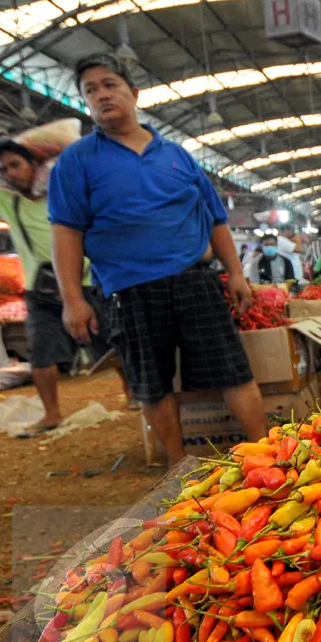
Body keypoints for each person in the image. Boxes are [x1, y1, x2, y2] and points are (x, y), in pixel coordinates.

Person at [48, 53, 267, 466]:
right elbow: (67, 231)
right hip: (129, 288)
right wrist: (72, 298)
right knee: (151, 383)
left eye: (109, 85)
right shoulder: (76, 162)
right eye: (90, 91)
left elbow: (216, 219)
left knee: (233, 369)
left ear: (133, 93)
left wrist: (236, 273)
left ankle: (268, 451)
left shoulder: (178, 155)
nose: (101, 95)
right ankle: (178, 464)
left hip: (194, 279)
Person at [0, 137, 121, 435]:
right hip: (40, 293)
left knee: (113, 343)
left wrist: (46, 149)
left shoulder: (63, 193)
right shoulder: (8, 201)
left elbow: (67, 140)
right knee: (41, 351)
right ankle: (51, 414)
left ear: (34, 164)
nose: (11, 173)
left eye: (16, 164)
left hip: (88, 283)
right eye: (4, 169)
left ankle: (132, 395)